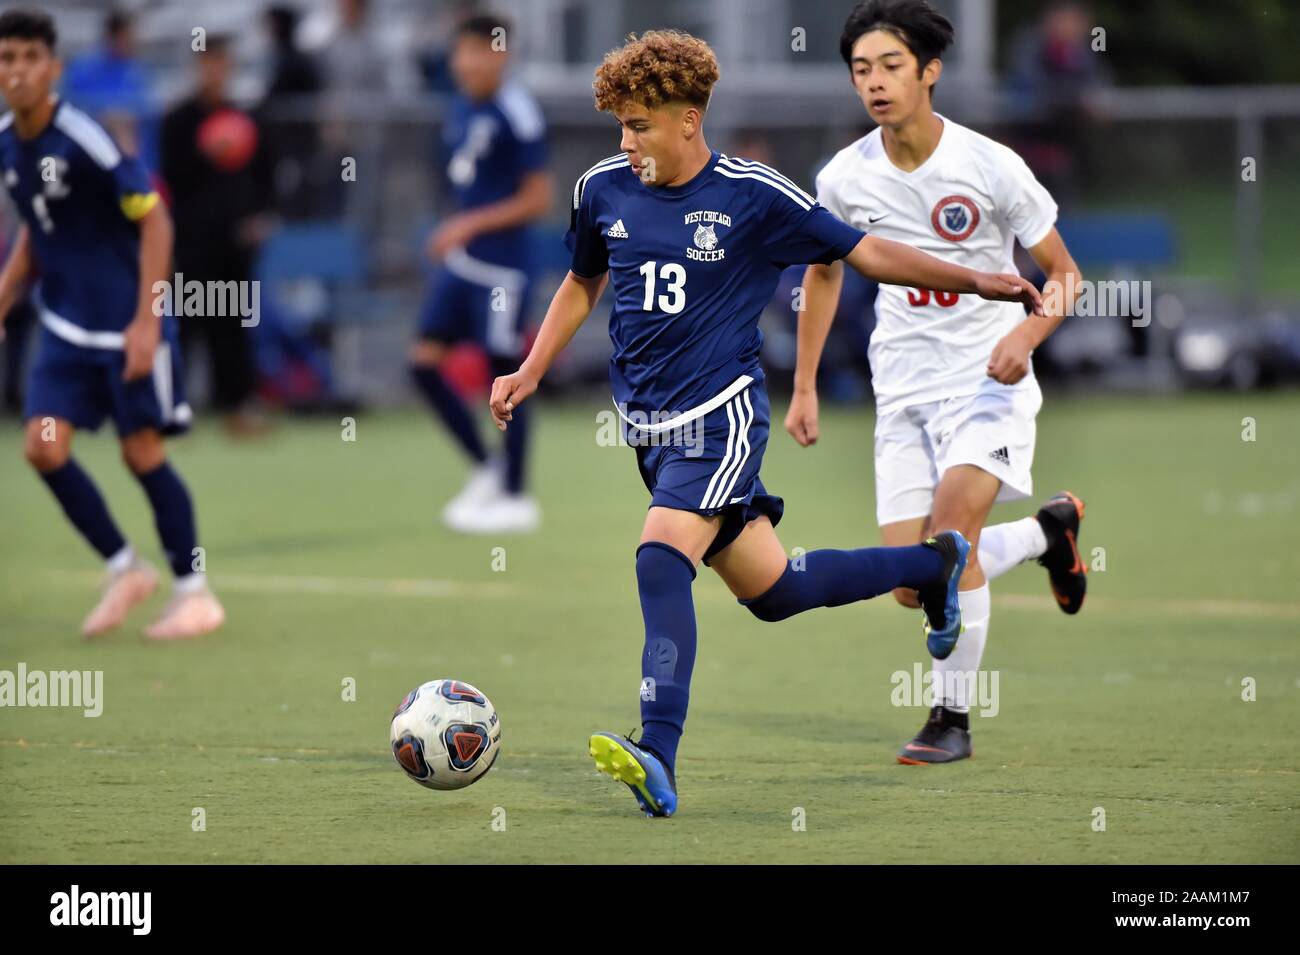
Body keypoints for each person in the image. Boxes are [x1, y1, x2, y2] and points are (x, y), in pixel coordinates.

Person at [488, 30, 1044, 816]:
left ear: (689, 119)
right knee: (775, 590)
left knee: (658, 556)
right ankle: (935, 563)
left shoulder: (754, 194)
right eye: (619, 125)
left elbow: (868, 253)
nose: (626, 141)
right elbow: (582, 282)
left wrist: (980, 280)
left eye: (639, 124)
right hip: (650, 431)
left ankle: (658, 747)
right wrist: (530, 369)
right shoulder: (602, 188)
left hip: (720, 419)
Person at [793, 0, 1089, 764]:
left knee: (951, 543)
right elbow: (822, 275)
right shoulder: (843, 178)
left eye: (891, 65)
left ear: (930, 71)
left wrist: (1027, 333)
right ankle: (1047, 534)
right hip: (902, 391)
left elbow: (1063, 275)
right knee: (912, 580)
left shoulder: (989, 164)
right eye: (862, 69)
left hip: (986, 382)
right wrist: (803, 384)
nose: (876, 83)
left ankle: (950, 721)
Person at [0, 8, 223, 639]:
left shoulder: (86, 139)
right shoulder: (7, 144)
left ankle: (194, 591)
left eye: (29, 58)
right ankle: (125, 568)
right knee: (43, 447)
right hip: (65, 334)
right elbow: (37, 232)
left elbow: (154, 219)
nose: (17, 71)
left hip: (127, 327)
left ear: (54, 68)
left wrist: (148, 323)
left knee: (140, 452)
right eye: (6, 58)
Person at [412, 14, 552, 533]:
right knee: (423, 363)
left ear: (501, 54)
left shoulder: (519, 113)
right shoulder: (461, 109)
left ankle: (517, 494)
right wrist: (457, 226)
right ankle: (486, 467)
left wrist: (468, 222)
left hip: (502, 270)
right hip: (463, 262)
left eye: (473, 52)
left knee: (506, 377)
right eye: (458, 52)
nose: (462, 63)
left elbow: (538, 198)